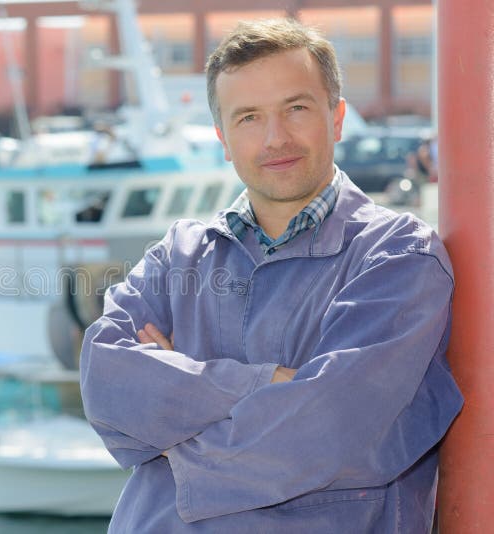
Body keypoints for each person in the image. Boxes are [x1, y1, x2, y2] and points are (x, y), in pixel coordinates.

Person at [80, 18, 462, 533]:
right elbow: (108, 387)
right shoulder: (180, 254)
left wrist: (173, 422)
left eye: (296, 108)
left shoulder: (396, 257)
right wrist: (269, 382)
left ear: (337, 117)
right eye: (249, 118)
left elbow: (329, 430)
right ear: (223, 138)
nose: (275, 137)